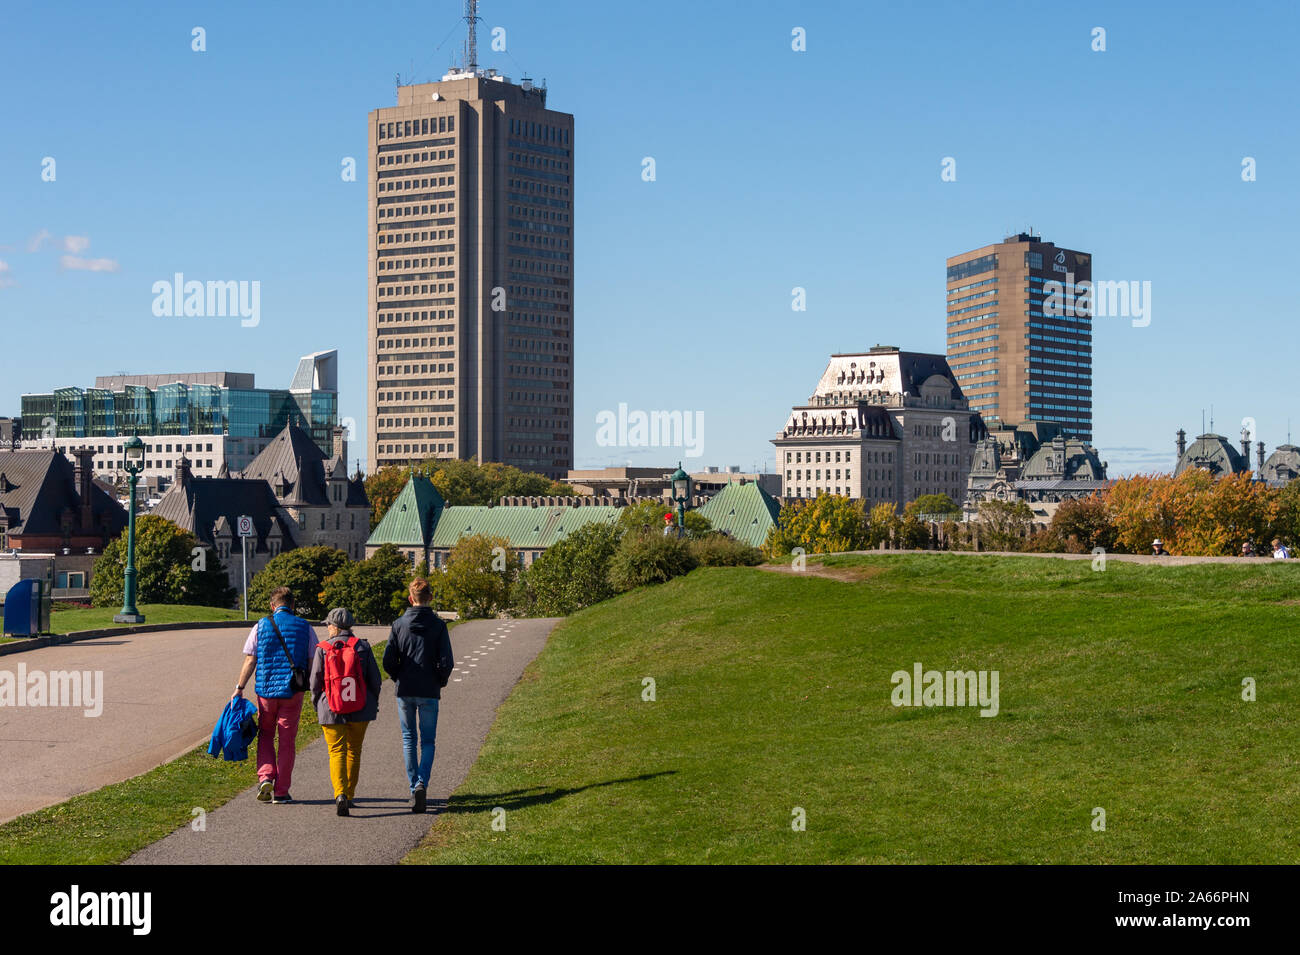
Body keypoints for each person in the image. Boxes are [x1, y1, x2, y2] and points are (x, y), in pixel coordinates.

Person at [232, 587, 318, 804]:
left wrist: (240, 687)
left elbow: (250, 660)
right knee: (288, 741)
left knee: (266, 734)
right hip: (293, 691)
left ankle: (266, 776)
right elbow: (312, 661)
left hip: (266, 692)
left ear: (272, 605)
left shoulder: (260, 626)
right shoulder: (305, 627)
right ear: (293, 605)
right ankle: (281, 791)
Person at [383, 578, 454, 813]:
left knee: (408, 739)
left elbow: (388, 661)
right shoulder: (438, 626)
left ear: (410, 598)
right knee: (428, 740)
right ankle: (423, 781)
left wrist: (398, 677)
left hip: (405, 689)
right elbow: (446, 662)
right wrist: (439, 681)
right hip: (429, 690)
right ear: (430, 598)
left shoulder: (398, 625)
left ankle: (414, 786)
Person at [309, 607, 382, 816]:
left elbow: (314, 683)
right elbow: (375, 680)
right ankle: (349, 795)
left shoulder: (322, 648)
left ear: (334, 626)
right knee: (354, 750)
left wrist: (318, 706)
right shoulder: (363, 646)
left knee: (336, 751)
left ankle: (339, 793)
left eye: (328, 625)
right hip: (360, 707)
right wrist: (372, 701)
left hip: (331, 708)